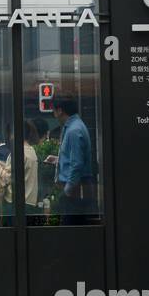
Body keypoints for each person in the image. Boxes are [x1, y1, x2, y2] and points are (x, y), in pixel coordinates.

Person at [47, 95, 94, 225]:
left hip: (75, 189)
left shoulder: (74, 130)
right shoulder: (75, 126)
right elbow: (75, 158)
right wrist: (59, 159)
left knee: (72, 227)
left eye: (54, 110)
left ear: (60, 110)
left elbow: (77, 163)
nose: (54, 114)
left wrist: (67, 190)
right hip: (75, 187)